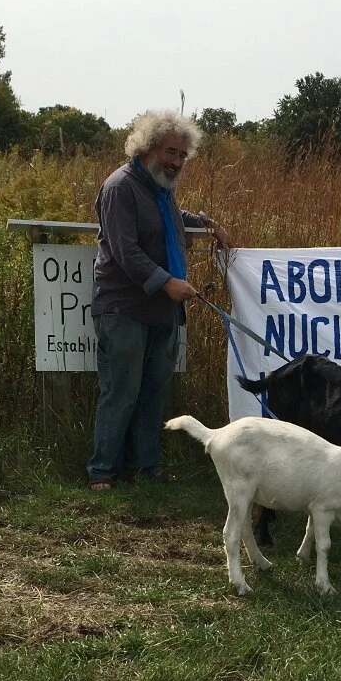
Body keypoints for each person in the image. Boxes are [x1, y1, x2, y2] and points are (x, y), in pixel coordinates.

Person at [87, 110, 230, 491]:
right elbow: (125, 251)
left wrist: (208, 224)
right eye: (171, 152)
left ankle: (147, 468)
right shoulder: (119, 187)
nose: (177, 162)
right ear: (148, 147)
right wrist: (168, 283)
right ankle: (102, 471)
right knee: (121, 392)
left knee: (153, 393)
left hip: (159, 310)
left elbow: (172, 216)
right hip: (122, 309)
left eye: (183, 156)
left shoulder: (159, 188)